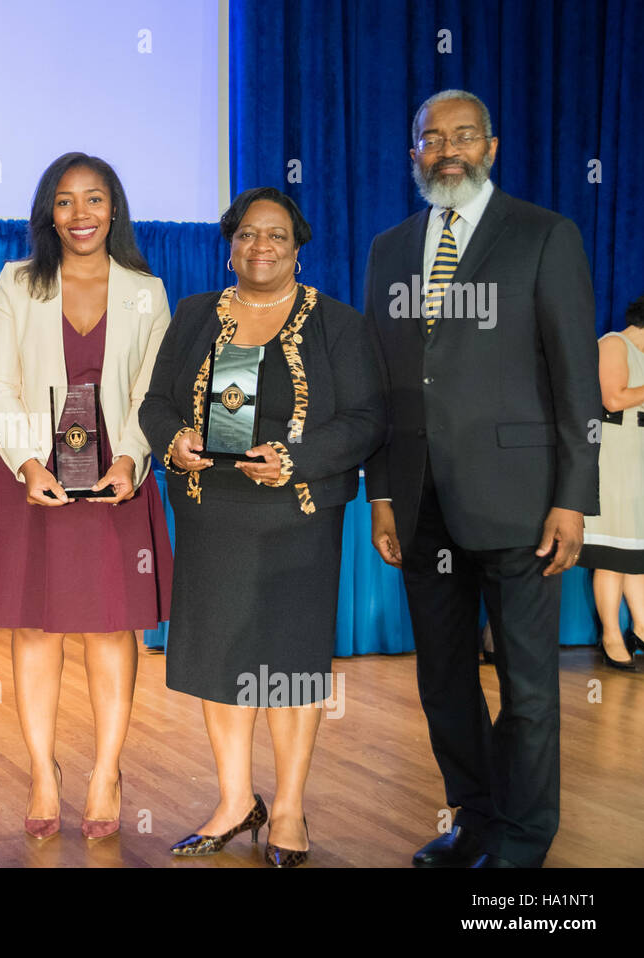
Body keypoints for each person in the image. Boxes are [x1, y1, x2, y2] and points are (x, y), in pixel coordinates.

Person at [364, 90, 601, 868]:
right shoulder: (389, 249)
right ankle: (475, 819)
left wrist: (573, 497)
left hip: (524, 504)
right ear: (414, 154)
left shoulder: (544, 235)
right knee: (443, 683)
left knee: (529, 691)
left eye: (463, 136)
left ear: (491, 148)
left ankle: (524, 841)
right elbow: (381, 385)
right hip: (423, 502)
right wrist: (385, 494)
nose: (448, 149)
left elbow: (575, 381)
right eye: (432, 138)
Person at [140, 188, 386, 867]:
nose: (261, 247)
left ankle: (288, 810)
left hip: (296, 515)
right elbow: (156, 404)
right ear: (230, 245)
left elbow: (367, 420)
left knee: (289, 664)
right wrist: (174, 439)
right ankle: (231, 801)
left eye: (275, 235)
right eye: (247, 234)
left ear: (298, 247)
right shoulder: (193, 315)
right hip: (211, 510)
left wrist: (295, 459)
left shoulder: (338, 323)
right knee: (221, 659)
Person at [0, 152, 173, 840]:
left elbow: (153, 392)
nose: (80, 214)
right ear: (47, 213)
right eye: (65, 201)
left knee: (114, 629)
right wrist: (27, 460)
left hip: (115, 480)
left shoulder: (147, 290)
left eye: (94, 199)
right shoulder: (17, 283)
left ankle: (106, 771)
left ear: (114, 208)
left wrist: (133, 462)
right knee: (36, 628)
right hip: (34, 476)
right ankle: (42, 771)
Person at [578, 292, 644, 670]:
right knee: (614, 553)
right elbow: (614, 398)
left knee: (636, 553)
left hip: (639, 457)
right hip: (614, 456)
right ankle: (611, 635)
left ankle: (641, 625)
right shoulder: (614, 343)